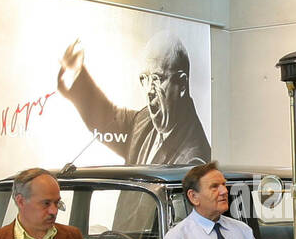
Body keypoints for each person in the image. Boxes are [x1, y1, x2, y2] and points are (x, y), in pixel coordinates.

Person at [58, 32, 211, 166]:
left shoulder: (194, 159)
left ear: (181, 84)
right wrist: (76, 74)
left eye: (157, 79)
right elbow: (108, 119)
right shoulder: (144, 119)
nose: (149, 90)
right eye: (145, 78)